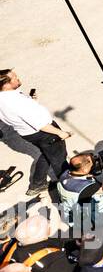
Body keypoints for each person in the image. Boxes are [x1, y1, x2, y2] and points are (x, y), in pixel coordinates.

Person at [0, 68, 71, 198]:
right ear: (6, 84)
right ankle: (70, 187)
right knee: (59, 160)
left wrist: (31, 102)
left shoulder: (4, 97)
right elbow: (40, 125)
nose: (18, 78)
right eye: (14, 77)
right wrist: (60, 133)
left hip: (28, 133)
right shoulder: (16, 102)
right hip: (44, 132)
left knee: (47, 153)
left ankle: (37, 184)